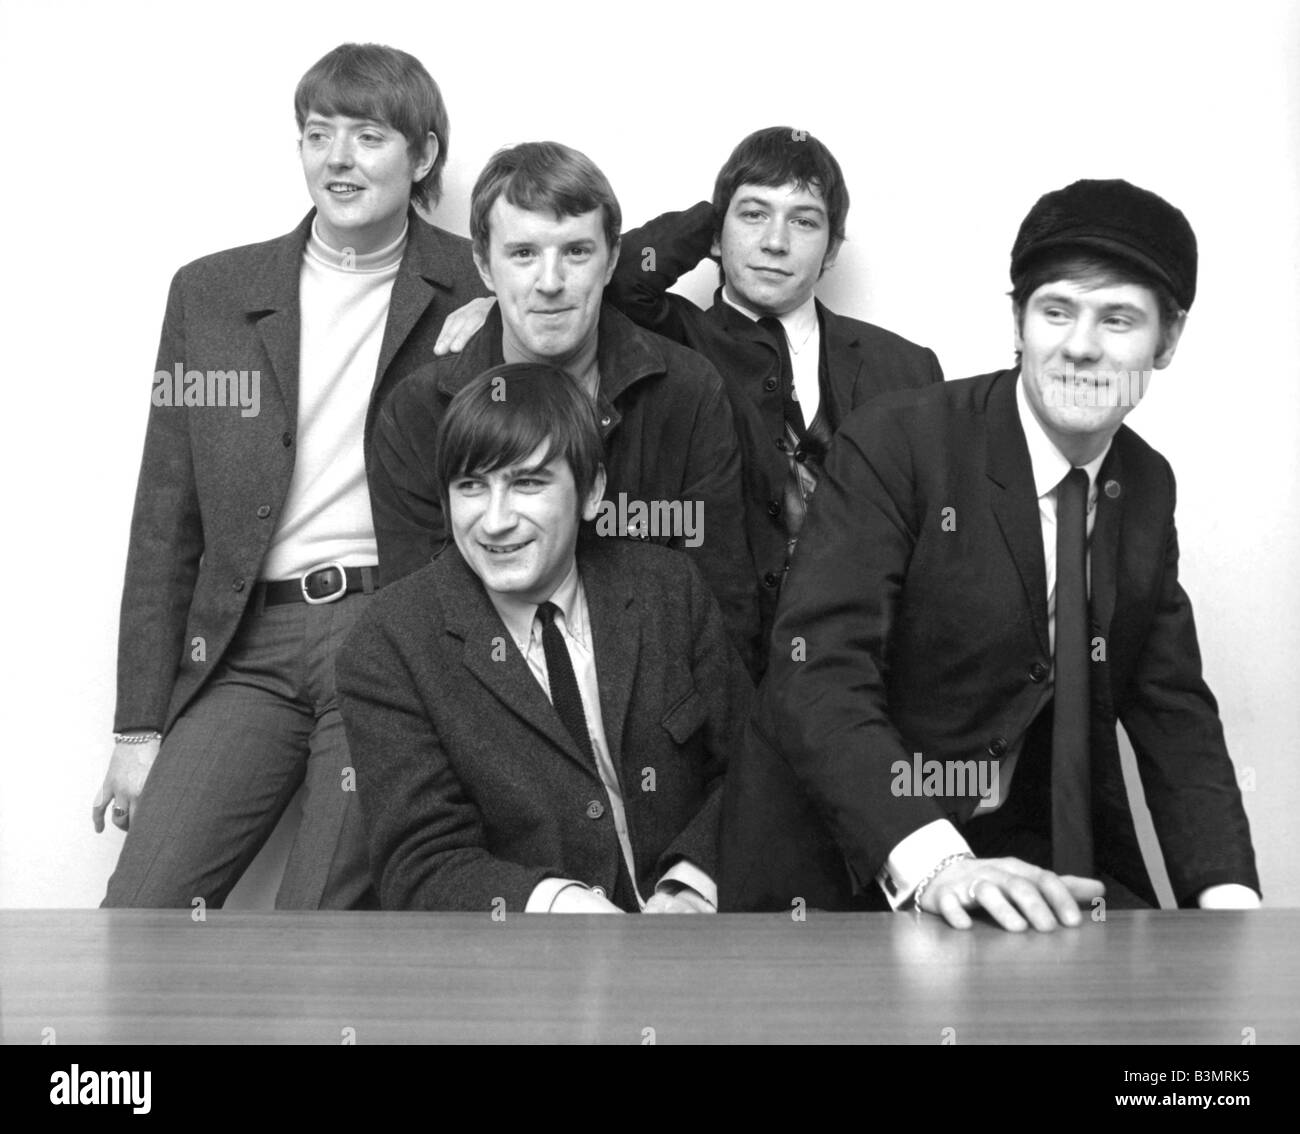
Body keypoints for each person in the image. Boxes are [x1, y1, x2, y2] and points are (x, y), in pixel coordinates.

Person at [720, 178, 1261, 928]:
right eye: (1056, 311)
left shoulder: (1145, 483)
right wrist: (939, 863)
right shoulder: (897, 443)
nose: (1080, 345)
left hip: (1034, 865)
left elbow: (1174, 714)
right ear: (1017, 321)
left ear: (1166, 342)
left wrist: (1235, 908)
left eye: (1118, 319)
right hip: (849, 868)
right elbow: (819, 673)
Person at [95, 43, 487, 909]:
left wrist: (506, 307)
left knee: (316, 933)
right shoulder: (211, 293)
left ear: (423, 157)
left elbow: (590, 275)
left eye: (368, 136)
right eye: (318, 134)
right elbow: (166, 516)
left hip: (390, 634)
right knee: (138, 918)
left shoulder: (481, 279)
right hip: (246, 647)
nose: (337, 159)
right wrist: (138, 723)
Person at [337, 365, 752, 912]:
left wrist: (692, 885)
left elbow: (753, 768)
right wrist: (560, 907)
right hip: (525, 968)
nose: (495, 521)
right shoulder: (390, 642)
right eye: (471, 487)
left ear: (591, 491)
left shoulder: (668, 590)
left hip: (702, 939)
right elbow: (420, 864)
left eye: (527, 483)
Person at [371, 141, 761, 671]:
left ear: (611, 261)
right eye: (523, 254)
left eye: (576, 252)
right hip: (487, 702)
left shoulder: (687, 393)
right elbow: (420, 620)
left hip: (656, 698)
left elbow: (722, 604)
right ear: (485, 266)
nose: (550, 283)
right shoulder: (418, 412)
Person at [603, 127, 944, 661]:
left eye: (803, 221)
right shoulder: (672, 341)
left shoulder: (906, 366)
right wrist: (706, 221)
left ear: (831, 250)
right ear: (717, 234)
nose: (775, 242)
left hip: (865, 674)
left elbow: (935, 543)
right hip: (720, 664)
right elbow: (618, 280)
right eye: (754, 215)